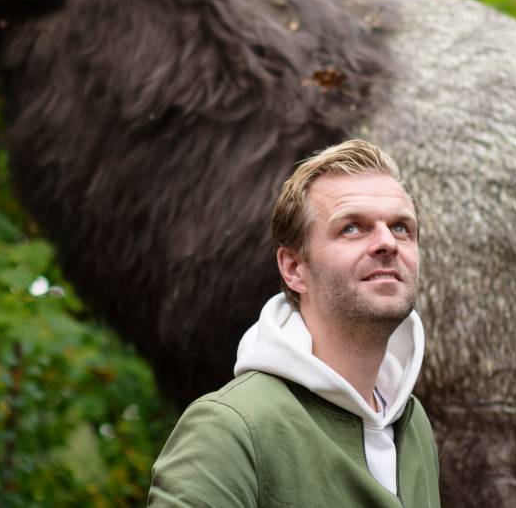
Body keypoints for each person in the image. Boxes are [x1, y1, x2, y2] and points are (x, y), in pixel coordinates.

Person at [148, 140, 440, 507]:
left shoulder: (413, 426)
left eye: (401, 228)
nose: (386, 242)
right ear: (293, 268)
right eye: (352, 228)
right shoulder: (231, 428)